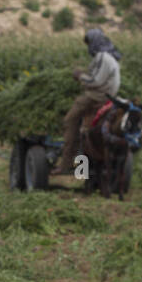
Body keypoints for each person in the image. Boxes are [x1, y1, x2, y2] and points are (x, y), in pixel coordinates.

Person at [51, 28, 121, 179]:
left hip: (97, 96)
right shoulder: (110, 56)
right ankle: (84, 163)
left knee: (70, 120)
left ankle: (66, 163)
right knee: (85, 125)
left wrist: (79, 76)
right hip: (108, 95)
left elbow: (95, 81)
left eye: (89, 43)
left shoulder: (103, 57)